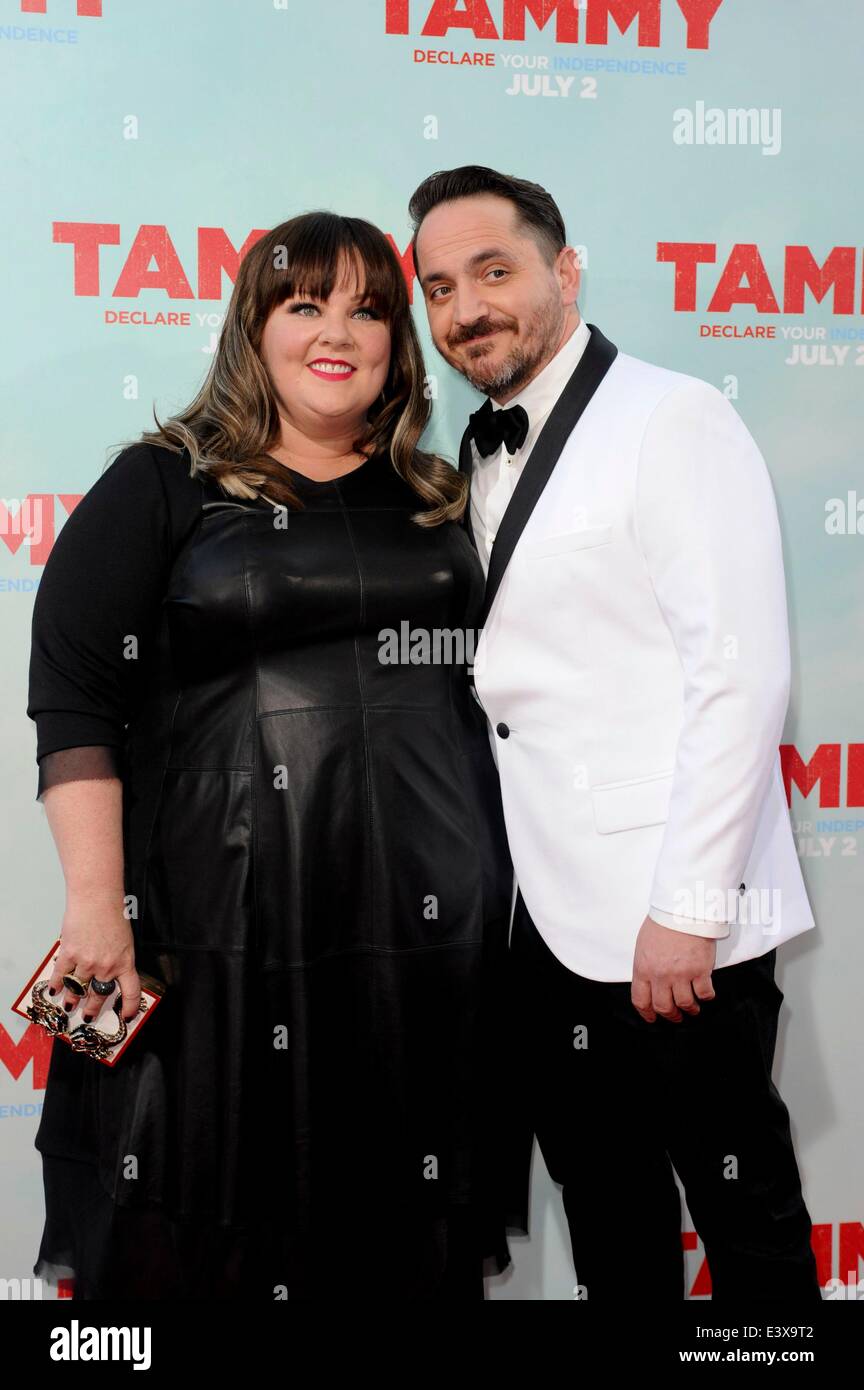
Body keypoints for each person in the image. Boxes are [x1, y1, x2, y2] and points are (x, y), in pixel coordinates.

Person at [26, 211, 515, 1300]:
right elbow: (75, 700)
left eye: (369, 309)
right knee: (178, 1220)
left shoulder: (440, 501)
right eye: (305, 304)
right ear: (255, 326)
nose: (336, 331)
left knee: (391, 1228)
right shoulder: (163, 481)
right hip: (208, 929)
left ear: (399, 343)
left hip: (412, 939)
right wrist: (97, 906)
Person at [407, 164, 823, 1301]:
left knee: (750, 1234)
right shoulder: (465, 465)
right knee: (611, 1228)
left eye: (494, 272)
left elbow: (740, 677)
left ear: (566, 269)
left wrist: (686, 913)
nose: (466, 310)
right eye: (440, 288)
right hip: (541, 931)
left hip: (676, 929)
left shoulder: (673, 416)